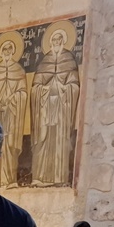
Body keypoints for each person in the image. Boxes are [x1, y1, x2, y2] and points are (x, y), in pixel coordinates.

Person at [30, 26, 80, 186]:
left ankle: (59, 178)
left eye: (59, 40)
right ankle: (39, 177)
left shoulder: (69, 60)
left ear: (63, 41)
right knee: (43, 141)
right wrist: (43, 89)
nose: (56, 42)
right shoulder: (44, 61)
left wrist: (62, 88)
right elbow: (35, 87)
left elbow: (75, 86)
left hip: (61, 111)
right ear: (50, 43)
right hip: (44, 110)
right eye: (54, 40)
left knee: (59, 142)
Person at [0, 33, 27, 187]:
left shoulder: (18, 71)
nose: (7, 52)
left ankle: (9, 179)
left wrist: (13, 99)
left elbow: (23, 94)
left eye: (10, 49)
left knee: (8, 147)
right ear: (0, 52)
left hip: (11, 117)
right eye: (4, 49)